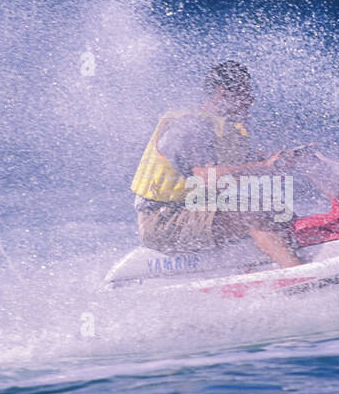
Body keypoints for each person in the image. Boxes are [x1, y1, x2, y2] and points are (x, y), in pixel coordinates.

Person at [130, 61, 306, 268]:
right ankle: (299, 275)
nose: (251, 100)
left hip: (193, 212)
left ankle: (261, 268)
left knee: (280, 212)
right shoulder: (190, 127)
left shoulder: (223, 128)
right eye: (245, 93)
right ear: (222, 93)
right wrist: (267, 166)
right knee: (257, 213)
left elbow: (241, 163)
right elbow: (208, 177)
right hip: (163, 222)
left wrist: (284, 157)